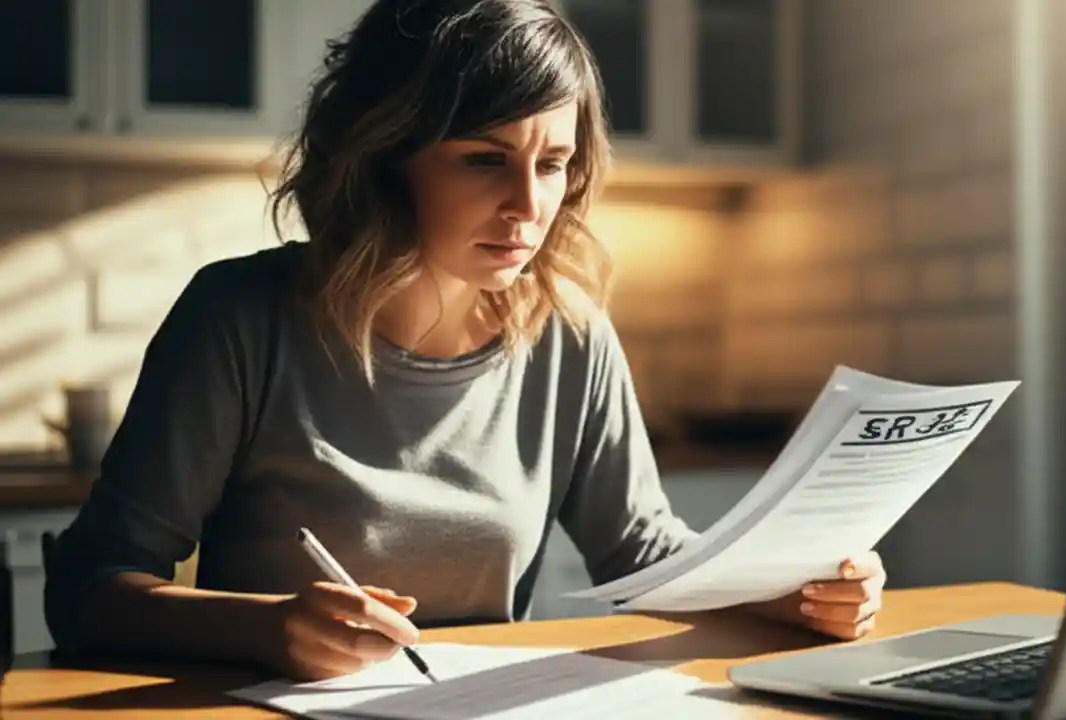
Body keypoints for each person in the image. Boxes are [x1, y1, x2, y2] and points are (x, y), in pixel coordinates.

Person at [44, 0, 885, 681]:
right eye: (486, 159)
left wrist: (791, 591)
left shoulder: (572, 333)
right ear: (386, 156)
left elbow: (643, 551)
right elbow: (89, 589)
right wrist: (270, 629)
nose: (528, 204)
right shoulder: (240, 318)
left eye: (553, 163)